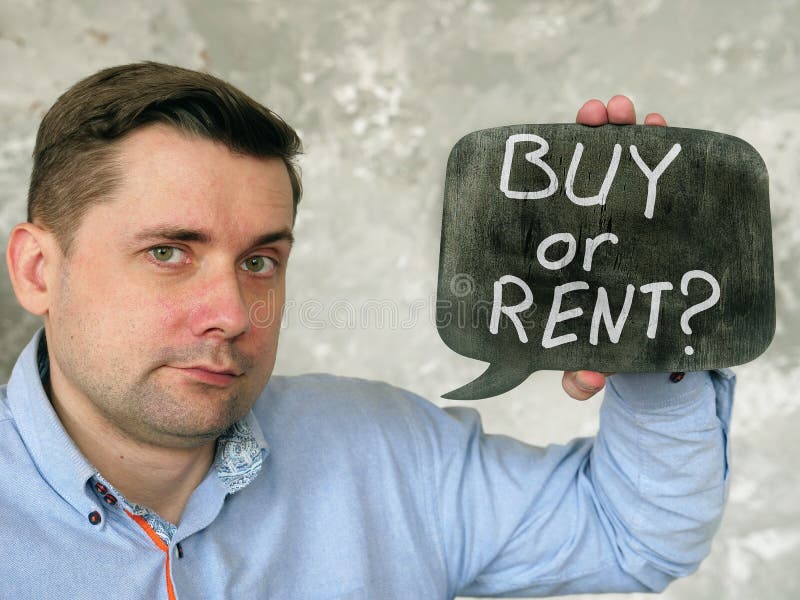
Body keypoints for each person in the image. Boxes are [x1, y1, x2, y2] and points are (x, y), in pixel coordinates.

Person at [0, 62, 734, 600]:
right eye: (168, 253)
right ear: (37, 271)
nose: (233, 313)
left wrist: (649, 325)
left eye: (259, 261)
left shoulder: (387, 452)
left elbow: (630, 535)